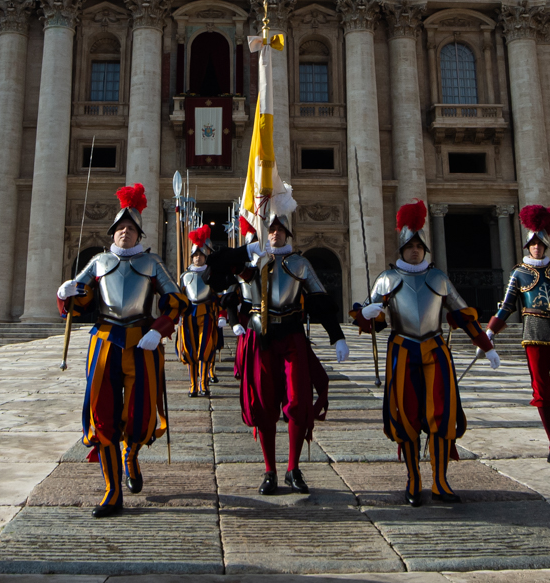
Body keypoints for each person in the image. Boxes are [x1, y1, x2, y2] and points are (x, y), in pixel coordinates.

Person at [352, 201, 497, 505]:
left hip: (435, 351)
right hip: (401, 351)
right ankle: (413, 479)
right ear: (401, 250)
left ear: (425, 250)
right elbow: (372, 323)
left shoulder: (439, 278)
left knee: (441, 415)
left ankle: (440, 481)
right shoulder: (386, 280)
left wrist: (486, 345)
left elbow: (462, 314)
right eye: (410, 246)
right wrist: (369, 312)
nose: (415, 250)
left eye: (419, 246)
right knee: (405, 415)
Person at [57, 184, 186, 516]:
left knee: (142, 416)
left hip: (143, 341)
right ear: (112, 234)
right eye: (120, 229)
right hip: (104, 341)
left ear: (139, 234)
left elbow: (176, 303)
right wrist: (66, 293)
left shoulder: (152, 262)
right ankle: (112, 491)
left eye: (130, 228)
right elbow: (80, 301)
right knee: (103, 415)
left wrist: (159, 331)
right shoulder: (98, 262)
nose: (124, 233)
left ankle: (132, 454)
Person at [232, 198, 343, 494]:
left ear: (288, 235)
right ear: (264, 233)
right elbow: (223, 279)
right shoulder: (252, 264)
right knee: (264, 404)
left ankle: (293, 468)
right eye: (271, 230)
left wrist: (337, 335)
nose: (275, 234)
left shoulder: (300, 263)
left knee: (297, 402)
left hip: (293, 336)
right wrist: (247, 248)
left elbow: (320, 301)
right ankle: (270, 470)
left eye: (281, 230)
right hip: (261, 337)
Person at [487, 205, 550, 463]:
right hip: (534, 333)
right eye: (533, 244)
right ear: (527, 247)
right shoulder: (518, 273)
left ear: (545, 246)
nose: (537, 248)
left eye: (540, 244)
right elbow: (508, 305)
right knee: (541, 390)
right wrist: (490, 330)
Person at [175, 229, 226, 397]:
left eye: (201, 255)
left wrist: (222, 315)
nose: (198, 258)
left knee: (204, 348)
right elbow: (178, 297)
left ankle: (203, 383)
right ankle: (193, 385)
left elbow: (219, 296)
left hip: (206, 313)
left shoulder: (212, 274)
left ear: (206, 256)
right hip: (189, 314)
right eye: (195, 255)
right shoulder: (184, 276)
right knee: (190, 350)